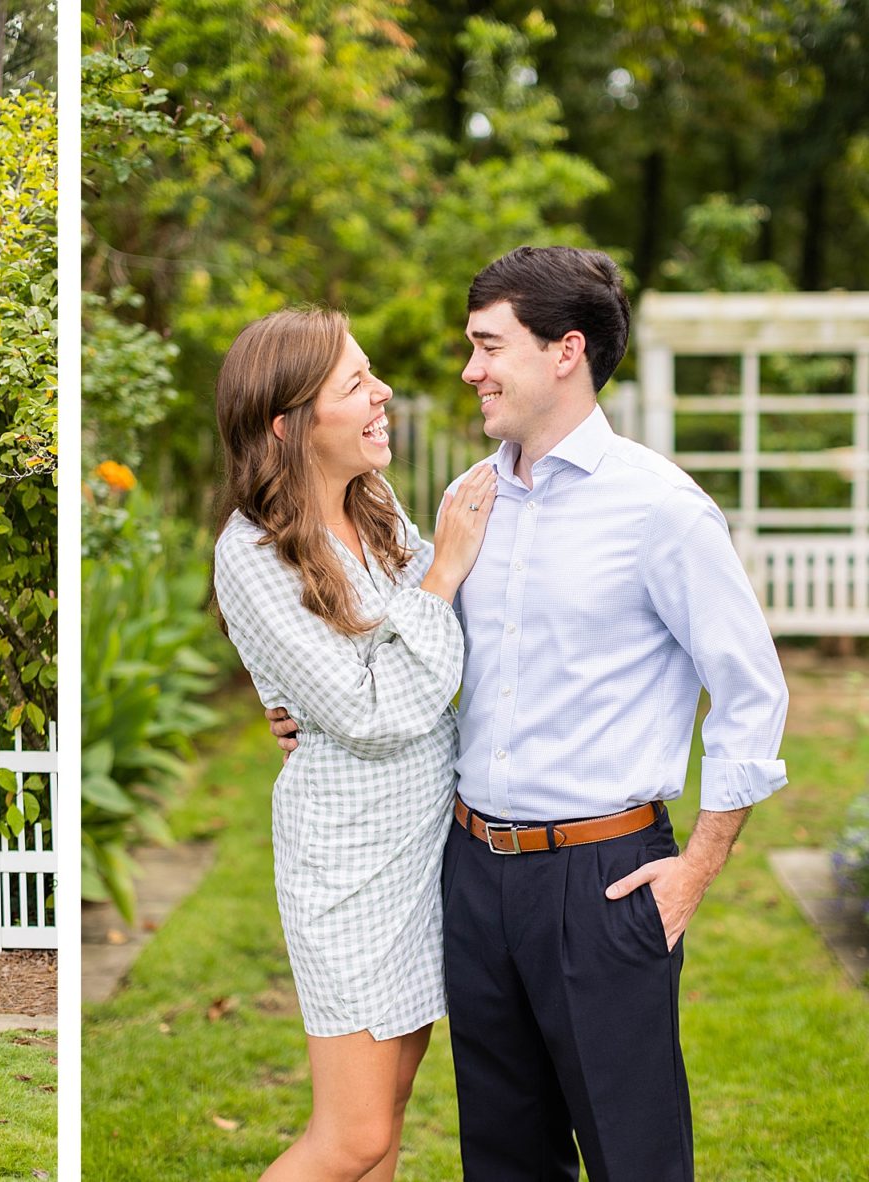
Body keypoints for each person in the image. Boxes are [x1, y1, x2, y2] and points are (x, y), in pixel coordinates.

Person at [271, 246, 789, 1181]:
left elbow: (753, 694)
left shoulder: (661, 510)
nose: (471, 370)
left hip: (605, 880)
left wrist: (696, 868)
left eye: (488, 346)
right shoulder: (472, 500)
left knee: (635, 1157)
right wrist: (308, 702)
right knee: (505, 1161)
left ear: (566, 352)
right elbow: (416, 650)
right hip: (473, 877)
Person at [210, 306, 499, 1182]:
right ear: (289, 425)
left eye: (370, 373)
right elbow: (377, 710)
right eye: (355, 384)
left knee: (390, 1117)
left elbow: (411, 655)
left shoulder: (369, 507)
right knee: (353, 1137)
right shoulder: (253, 552)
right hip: (350, 864)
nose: (382, 395)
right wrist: (442, 572)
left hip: (423, 847)